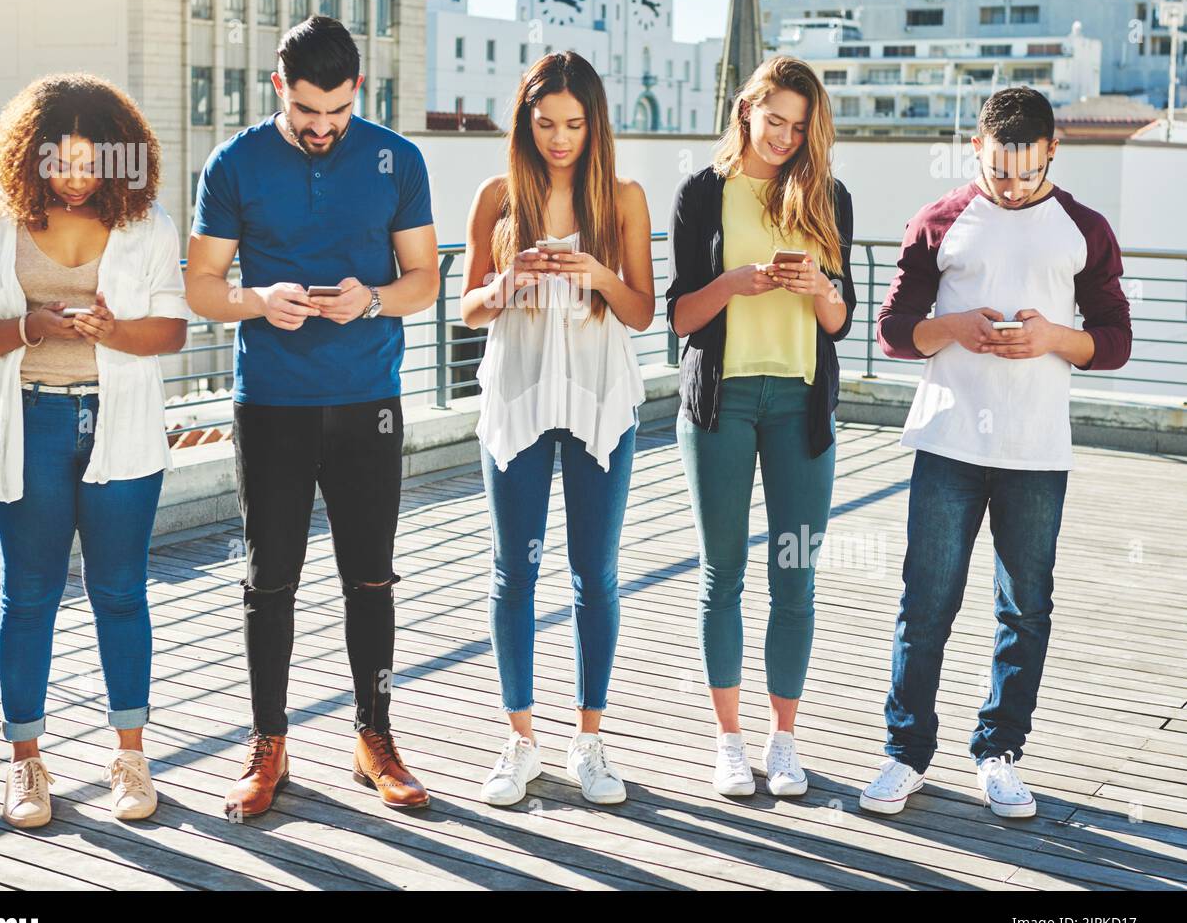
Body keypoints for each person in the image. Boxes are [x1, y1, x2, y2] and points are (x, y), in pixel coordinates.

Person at [186, 15, 439, 818]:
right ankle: (270, 742)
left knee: (371, 578)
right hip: (271, 404)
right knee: (270, 583)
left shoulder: (400, 159)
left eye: (336, 111)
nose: (322, 127)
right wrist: (257, 300)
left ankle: (376, 736)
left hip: (370, 399)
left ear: (357, 90)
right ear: (277, 89)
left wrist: (372, 299)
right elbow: (200, 288)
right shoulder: (234, 164)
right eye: (306, 112)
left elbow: (425, 279)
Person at [863, 86, 1132, 819]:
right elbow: (893, 330)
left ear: (1051, 152)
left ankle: (999, 752)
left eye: (1025, 172)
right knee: (926, 605)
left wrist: (1054, 339)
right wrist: (950, 326)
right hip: (947, 442)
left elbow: (1114, 339)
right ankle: (904, 752)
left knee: (1025, 609)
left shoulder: (1084, 229)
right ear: (976, 149)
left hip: (1037, 452)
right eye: (997, 170)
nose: (1010, 187)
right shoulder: (940, 219)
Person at [0, 73, 191, 828]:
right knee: (29, 596)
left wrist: (115, 331)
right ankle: (26, 765)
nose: (76, 178)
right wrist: (30, 326)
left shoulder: (149, 225)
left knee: (120, 593)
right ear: (31, 154)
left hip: (122, 425)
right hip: (28, 423)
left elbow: (173, 330)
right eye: (61, 162)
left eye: (92, 163)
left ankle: (131, 757)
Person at [461, 51, 654, 808]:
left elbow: (640, 311)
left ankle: (590, 739)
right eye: (545, 123)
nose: (560, 137)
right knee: (514, 570)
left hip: (602, 398)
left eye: (574, 123)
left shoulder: (625, 198)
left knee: (593, 572)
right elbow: (466, 308)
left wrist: (595, 273)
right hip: (518, 396)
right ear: (525, 121)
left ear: (594, 123)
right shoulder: (497, 195)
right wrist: (509, 284)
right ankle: (520, 740)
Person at [666, 54, 855, 799]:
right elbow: (679, 316)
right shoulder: (702, 193)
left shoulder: (828, 196)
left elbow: (840, 323)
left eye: (798, 126)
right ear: (746, 108)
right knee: (722, 575)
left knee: (795, 576)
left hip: (801, 405)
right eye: (772, 118)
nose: (782, 136)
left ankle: (783, 740)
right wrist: (733, 283)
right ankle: (728, 740)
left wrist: (818, 287)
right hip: (722, 401)